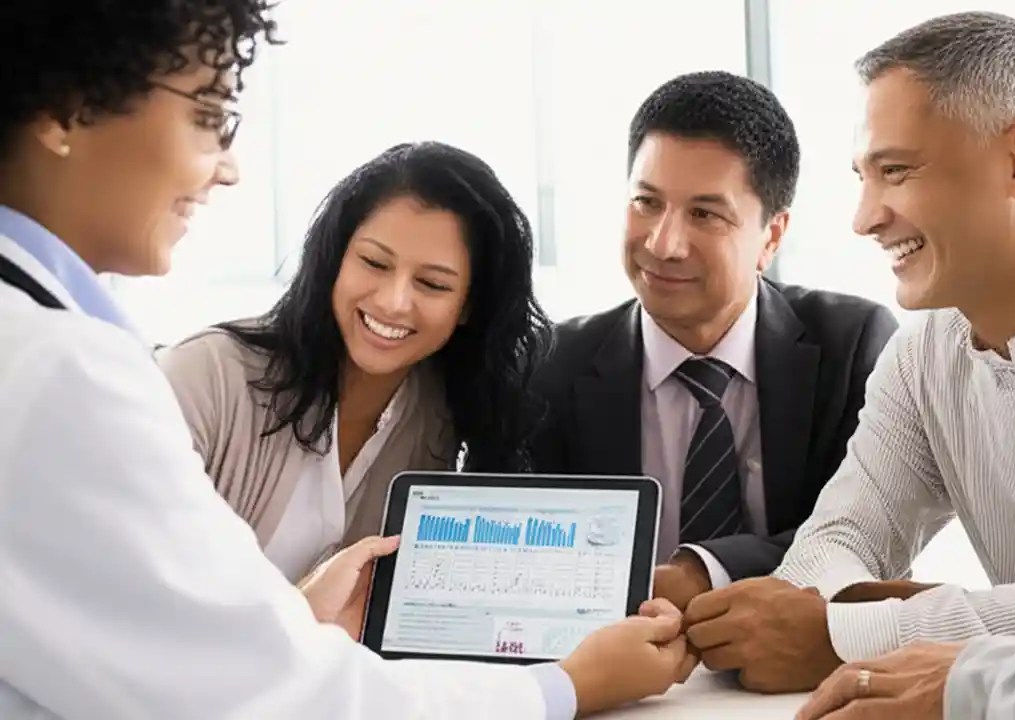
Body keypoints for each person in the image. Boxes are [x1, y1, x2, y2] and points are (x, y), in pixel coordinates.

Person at [0, 3, 691, 718]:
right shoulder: (67, 372)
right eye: (210, 114)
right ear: (68, 107)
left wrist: (297, 623)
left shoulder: (435, 412)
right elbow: (254, 687)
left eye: (433, 284)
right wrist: (567, 686)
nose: (229, 166)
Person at [678, 11, 1015, 693]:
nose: (864, 217)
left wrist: (840, 634)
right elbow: (835, 541)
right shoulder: (920, 358)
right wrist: (805, 614)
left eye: (897, 171)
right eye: (863, 176)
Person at [528, 71, 898, 610]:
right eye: (646, 203)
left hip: (790, 676)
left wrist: (705, 572)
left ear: (771, 235)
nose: (663, 243)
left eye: (704, 214)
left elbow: (869, 537)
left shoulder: (852, 346)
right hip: (607, 670)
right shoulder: (550, 368)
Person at [159, 141, 551, 582]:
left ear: (468, 307)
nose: (394, 302)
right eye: (373, 262)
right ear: (335, 258)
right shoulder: (205, 375)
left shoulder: (440, 414)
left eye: (432, 284)